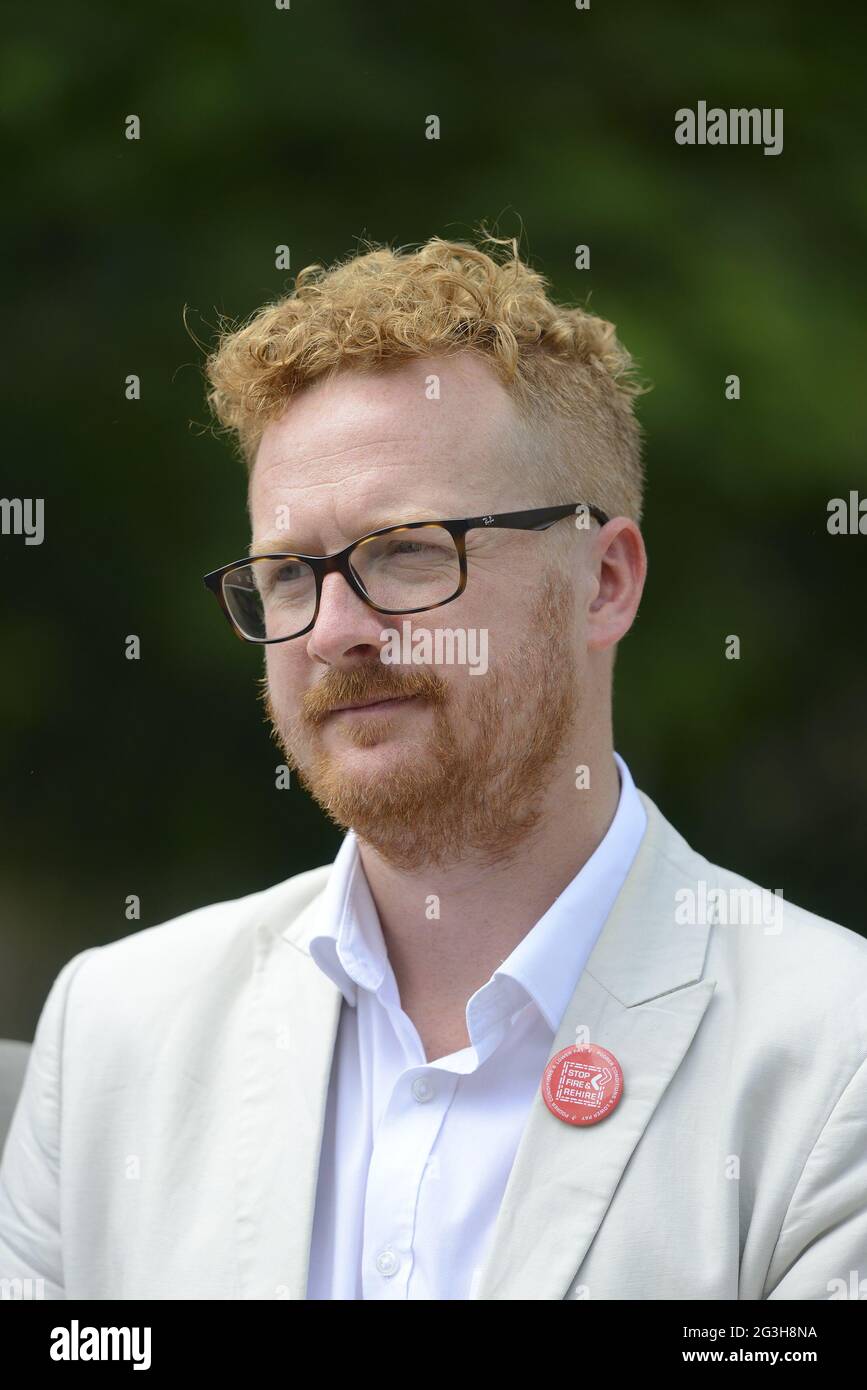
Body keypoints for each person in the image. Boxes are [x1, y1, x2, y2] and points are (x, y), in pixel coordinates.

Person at [2, 235, 865, 1301]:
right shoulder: (113, 1036)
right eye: (286, 574)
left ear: (604, 581)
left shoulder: (834, 1055)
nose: (335, 631)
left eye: (407, 549)